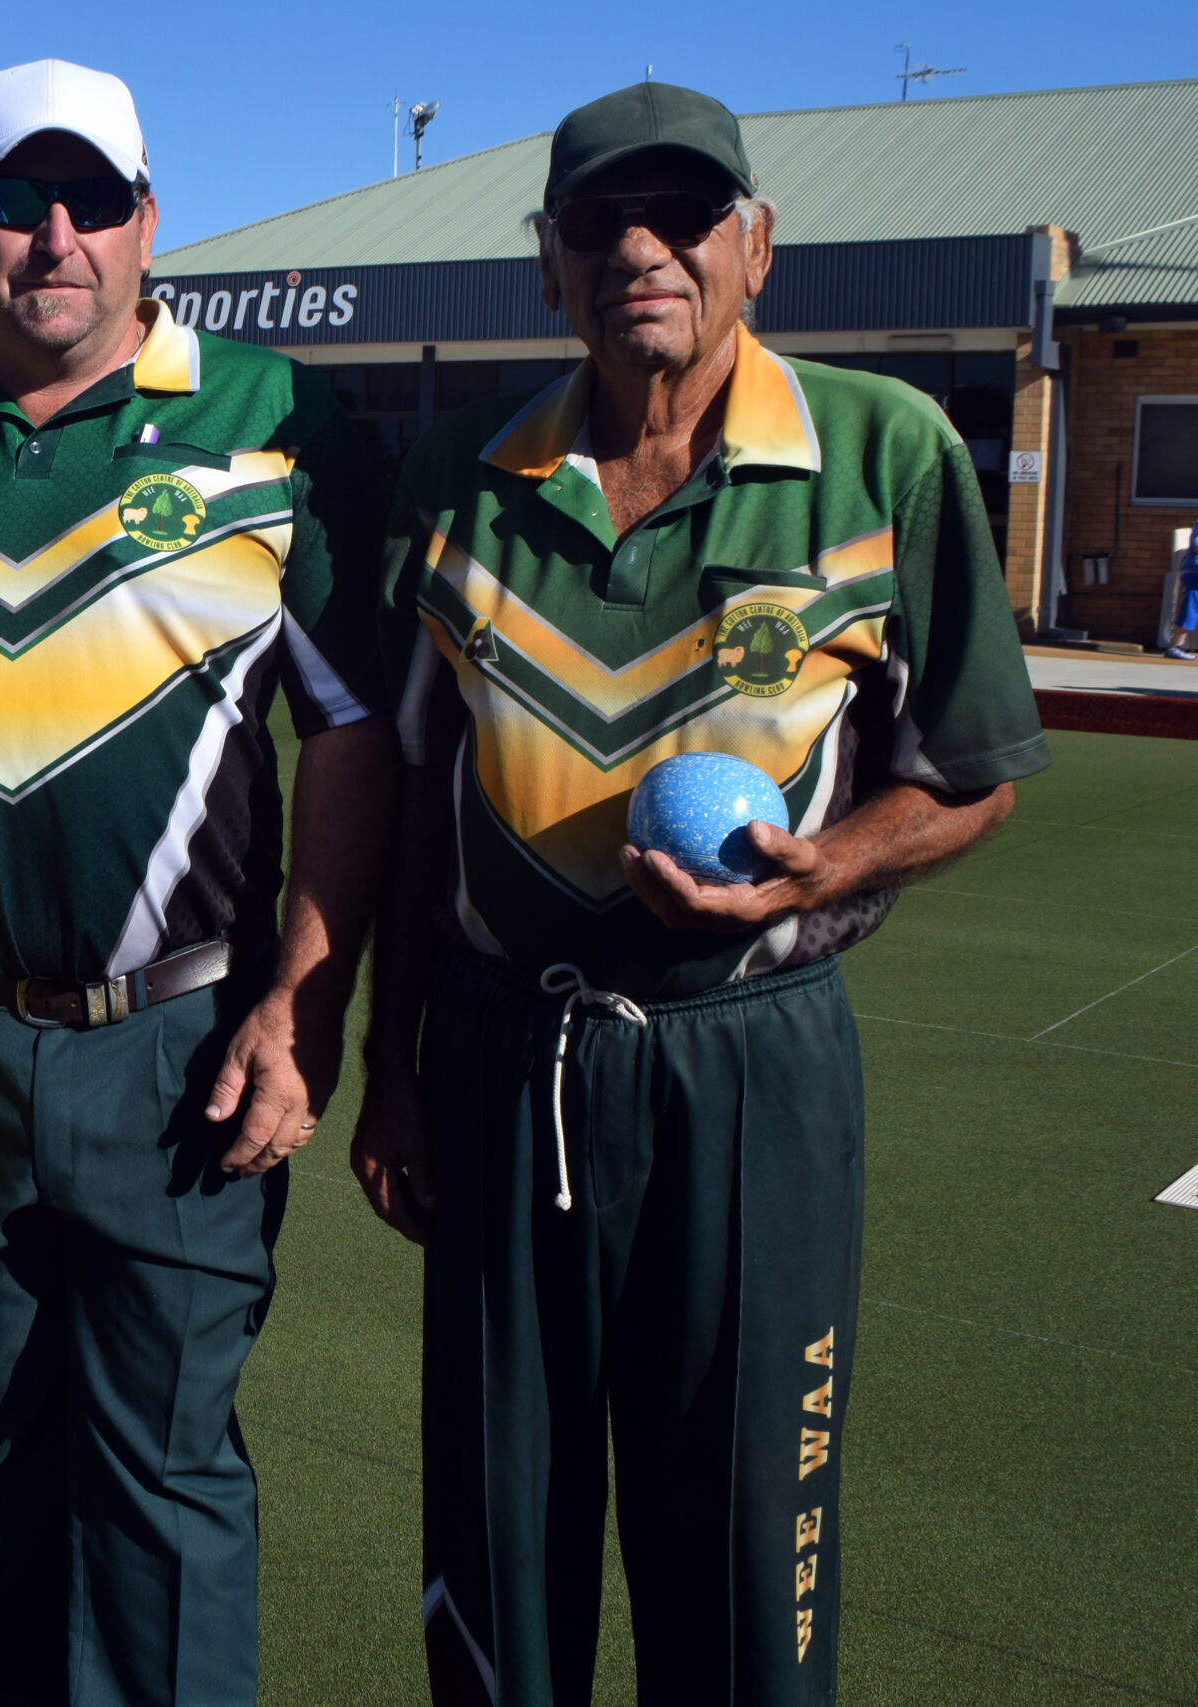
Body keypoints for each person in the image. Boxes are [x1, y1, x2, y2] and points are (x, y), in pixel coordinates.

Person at [347, 82, 1051, 1707]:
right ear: (549, 264)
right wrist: (391, 1063)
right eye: (600, 224)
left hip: (756, 1061)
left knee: (741, 1527)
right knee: (502, 1520)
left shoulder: (885, 448)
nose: (641, 251)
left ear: (757, 247)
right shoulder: (459, 466)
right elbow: (407, 794)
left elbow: (976, 767)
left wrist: (831, 864)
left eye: (683, 219)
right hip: (507, 1052)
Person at [0, 60, 400, 1707]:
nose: (55, 235)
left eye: (92, 200)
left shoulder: (277, 421)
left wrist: (302, 1007)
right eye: (17, 200)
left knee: (159, 1461)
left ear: (152, 222)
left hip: (180, 1041)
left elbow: (353, 739)